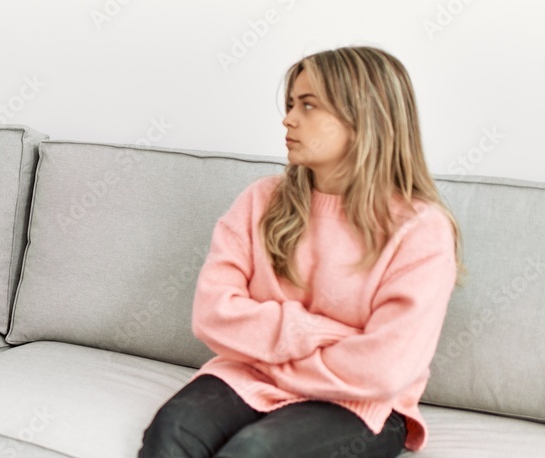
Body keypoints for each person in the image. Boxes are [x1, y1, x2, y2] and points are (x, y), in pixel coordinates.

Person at [139, 46, 461, 457]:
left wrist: (269, 351)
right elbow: (212, 315)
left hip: (363, 403)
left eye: (308, 105)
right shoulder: (260, 200)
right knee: (171, 432)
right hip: (246, 377)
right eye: (291, 103)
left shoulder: (421, 229)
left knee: (254, 451)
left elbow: (384, 368)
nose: (288, 118)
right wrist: (320, 334)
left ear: (365, 118)